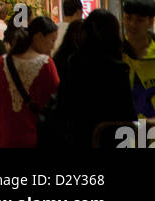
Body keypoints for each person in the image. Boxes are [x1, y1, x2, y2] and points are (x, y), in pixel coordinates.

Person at [53, 10, 136, 148]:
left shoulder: (73, 63)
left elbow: (63, 105)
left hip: (77, 138)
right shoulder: (118, 69)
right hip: (111, 139)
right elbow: (127, 114)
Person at [0, 14, 59, 149]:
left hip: (7, 139)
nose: (53, 47)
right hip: (38, 139)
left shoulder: (1, 63)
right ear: (38, 37)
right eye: (52, 40)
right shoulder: (46, 64)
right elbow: (58, 102)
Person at [121, 0, 155, 122]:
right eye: (128, 18)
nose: (132, 24)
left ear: (151, 21)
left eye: (139, 20)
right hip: (125, 133)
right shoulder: (115, 54)